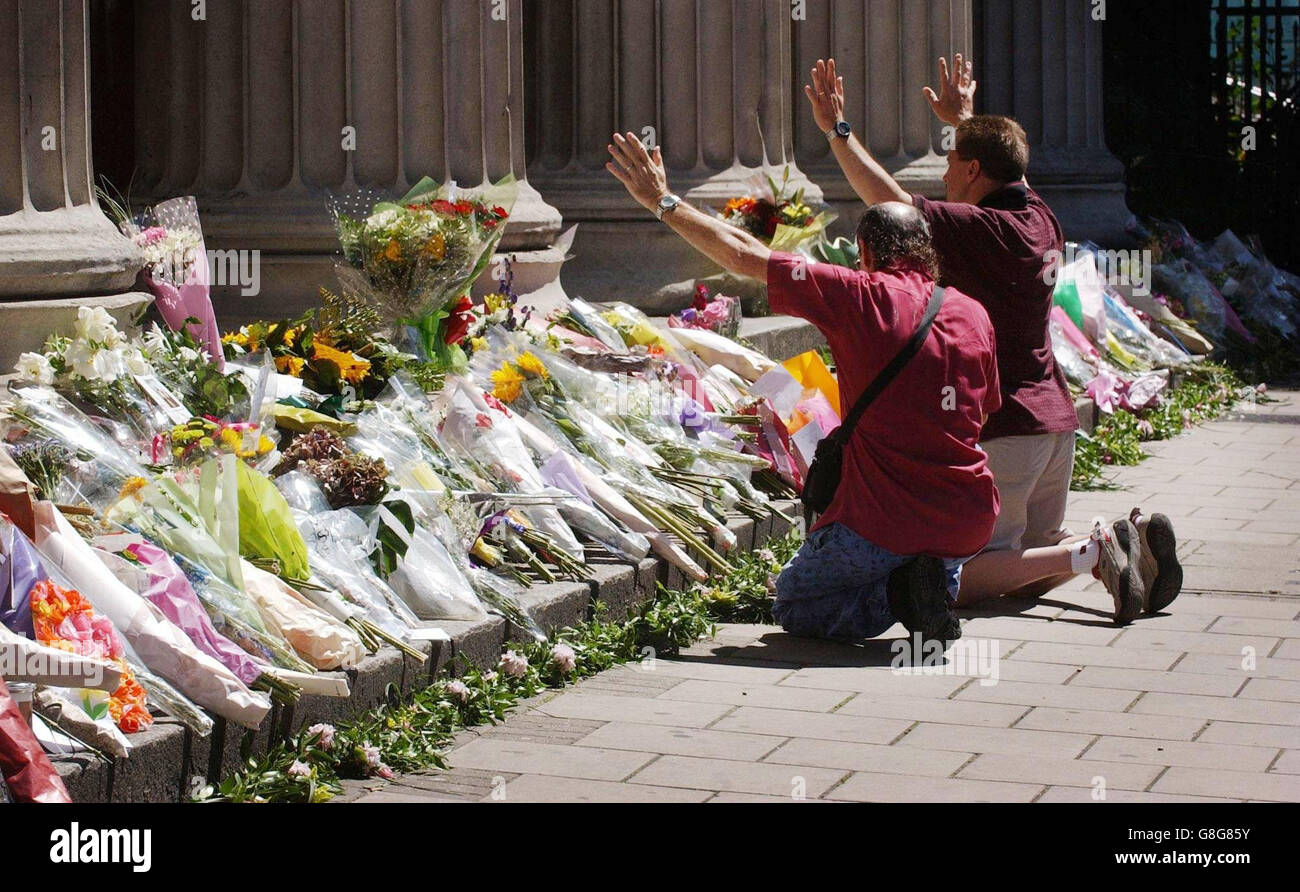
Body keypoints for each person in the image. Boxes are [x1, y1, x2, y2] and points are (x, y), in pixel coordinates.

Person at [803, 55, 1182, 623]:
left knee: (952, 579)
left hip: (1007, 430)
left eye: (953, 160)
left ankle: (1097, 551)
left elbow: (889, 204)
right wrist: (965, 119)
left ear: (975, 169)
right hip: (1056, 424)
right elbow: (1011, 164)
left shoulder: (981, 229)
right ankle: (1121, 544)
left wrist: (838, 131)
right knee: (1030, 567)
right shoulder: (1042, 216)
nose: (946, 174)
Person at [606, 133, 1000, 644]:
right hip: (967, 521)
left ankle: (901, 595)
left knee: (794, 603)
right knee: (923, 558)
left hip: (880, 521)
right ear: (929, 253)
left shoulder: (859, 294)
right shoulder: (974, 313)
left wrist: (662, 201)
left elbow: (745, 254)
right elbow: (981, 417)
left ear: (864, 252)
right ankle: (925, 587)